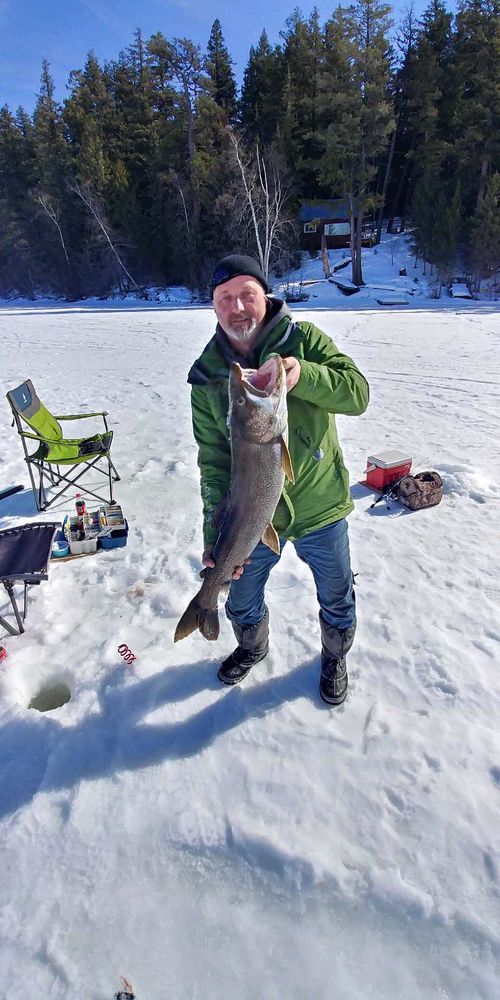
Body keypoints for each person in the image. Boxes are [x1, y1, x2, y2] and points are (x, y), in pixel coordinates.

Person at [187, 254, 369, 705]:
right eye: (224, 299)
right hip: (251, 519)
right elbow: (212, 461)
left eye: (246, 294)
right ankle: (251, 645)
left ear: (264, 296)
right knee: (240, 597)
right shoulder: (208, 375)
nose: (238, 307)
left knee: (337, 593)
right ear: (214, 308)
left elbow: (357, 394)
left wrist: (304, 375)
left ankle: (334, 653)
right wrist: (217, 531)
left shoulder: (304, 340)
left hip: (320, 505)